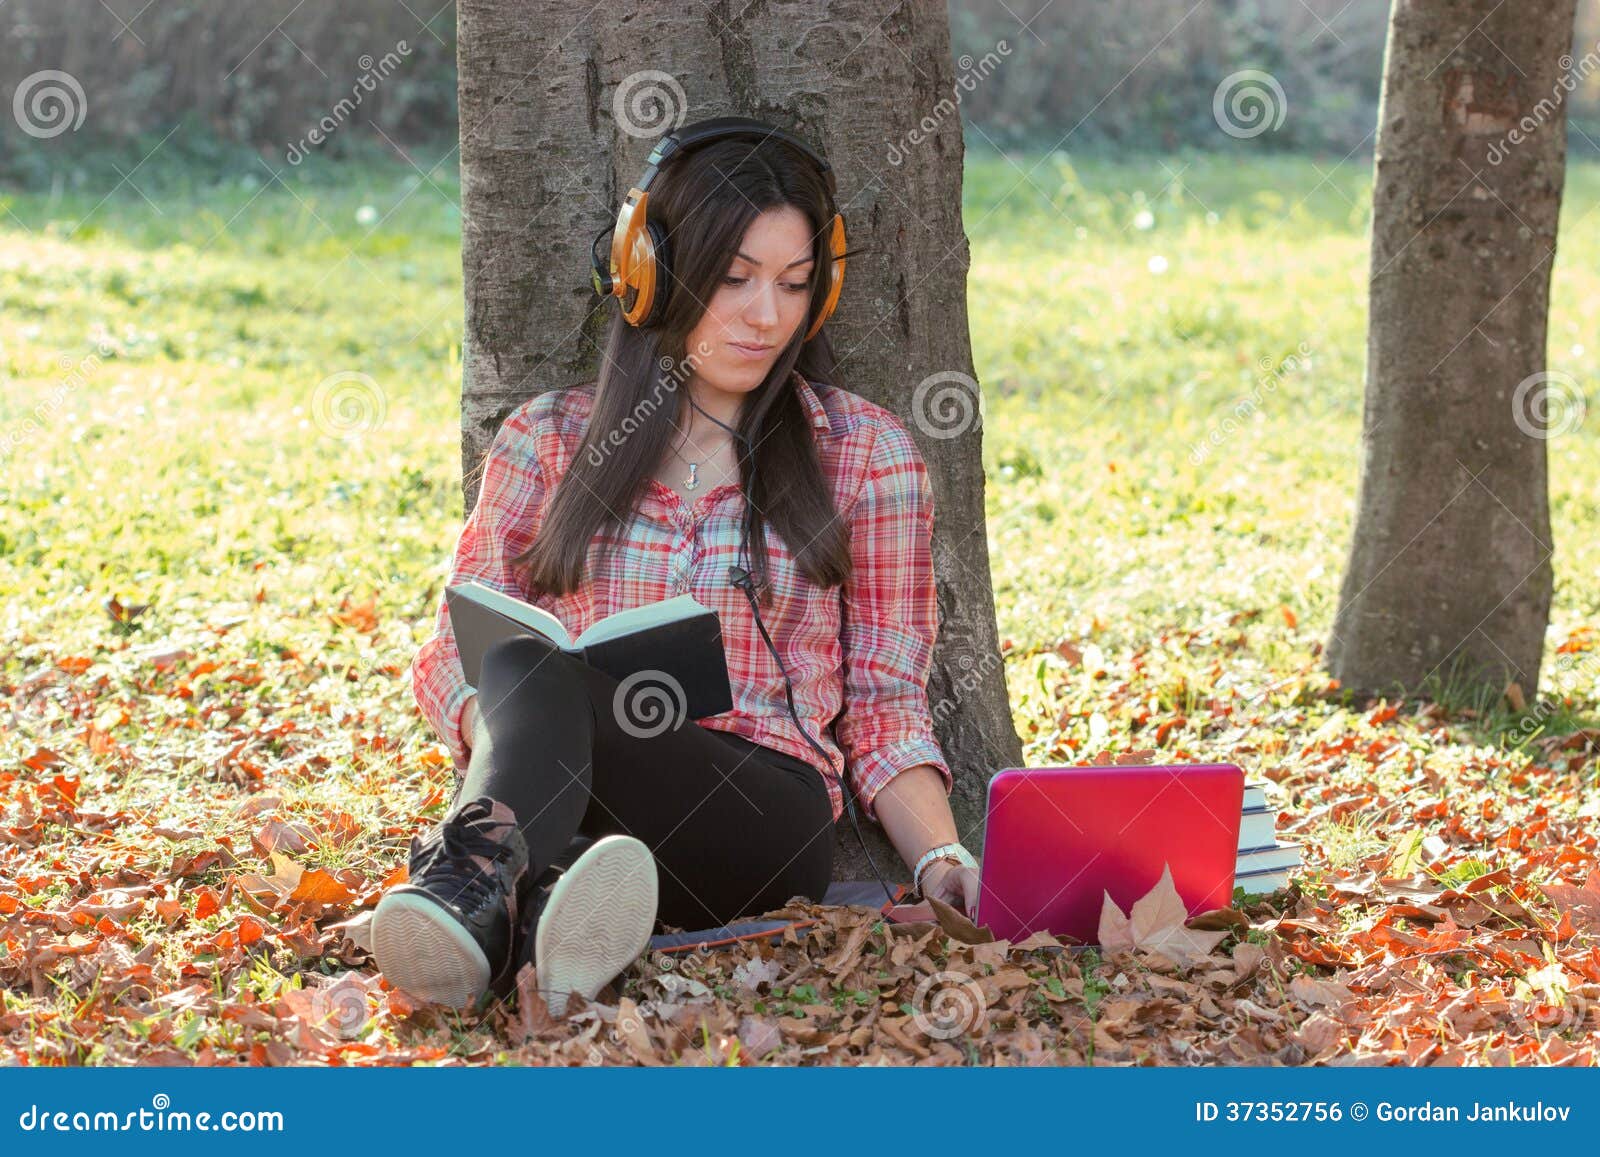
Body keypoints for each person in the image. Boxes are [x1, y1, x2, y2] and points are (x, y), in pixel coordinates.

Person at [371, 119, 981, 1017]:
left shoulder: (864, 453)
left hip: (761, 817)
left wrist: (940, 854)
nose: (767, 316)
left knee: (546, 677)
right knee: (528, 671)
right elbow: (449, 658)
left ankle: (465, 890)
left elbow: (887, 705)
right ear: (649, 272)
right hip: (574, 798)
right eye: (735, 278)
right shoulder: (545, 442)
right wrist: (512, 716)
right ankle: (548, 912)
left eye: (794, 284)